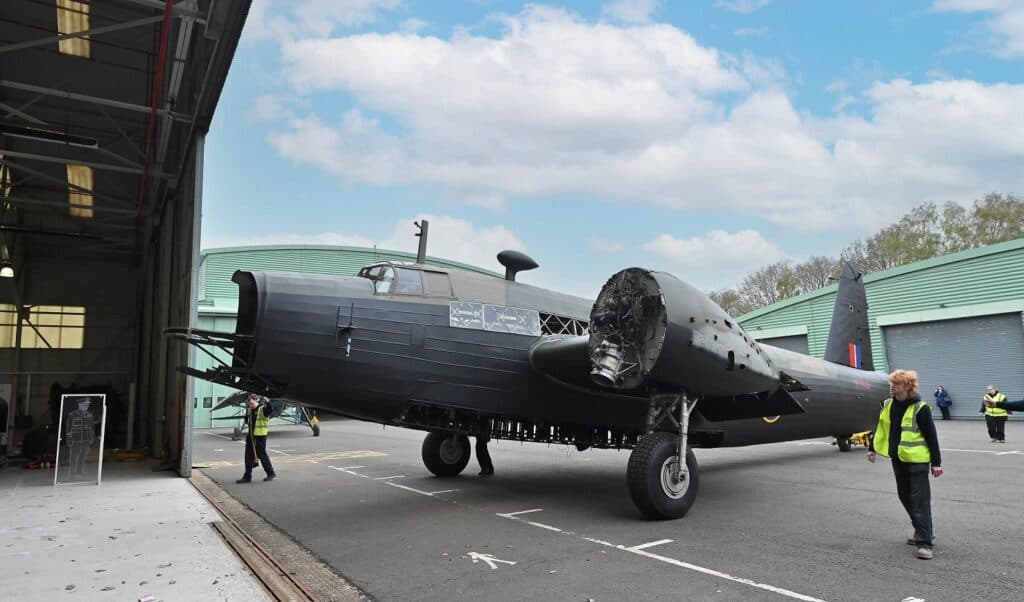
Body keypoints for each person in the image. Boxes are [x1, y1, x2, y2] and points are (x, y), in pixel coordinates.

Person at [867, 369, 943, 560]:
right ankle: (923, 529)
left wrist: (936, 462)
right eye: (891, 384)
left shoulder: (921, 408)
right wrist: (872, 448)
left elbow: (931, 437)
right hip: (897, 459)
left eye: (896, 384)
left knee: (919, 501)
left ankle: (924, 543)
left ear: (907, 386)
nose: (892, 387)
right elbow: (881, 427)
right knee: (904, 496)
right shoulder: (887, 405)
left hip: (917, 461)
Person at [237, 394, 276, 483]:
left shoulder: (262, 409)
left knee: (262, 455)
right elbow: (247, 421)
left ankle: (270, 473)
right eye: (249, 404)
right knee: (248, 456)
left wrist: (268, 402)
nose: (250, 405)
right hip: (251, 436)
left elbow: (270, 410)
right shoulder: (250, 411)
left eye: (251, 403)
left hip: (260, 436)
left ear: (257, 401)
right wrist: (247, 414)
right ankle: (247, 476)